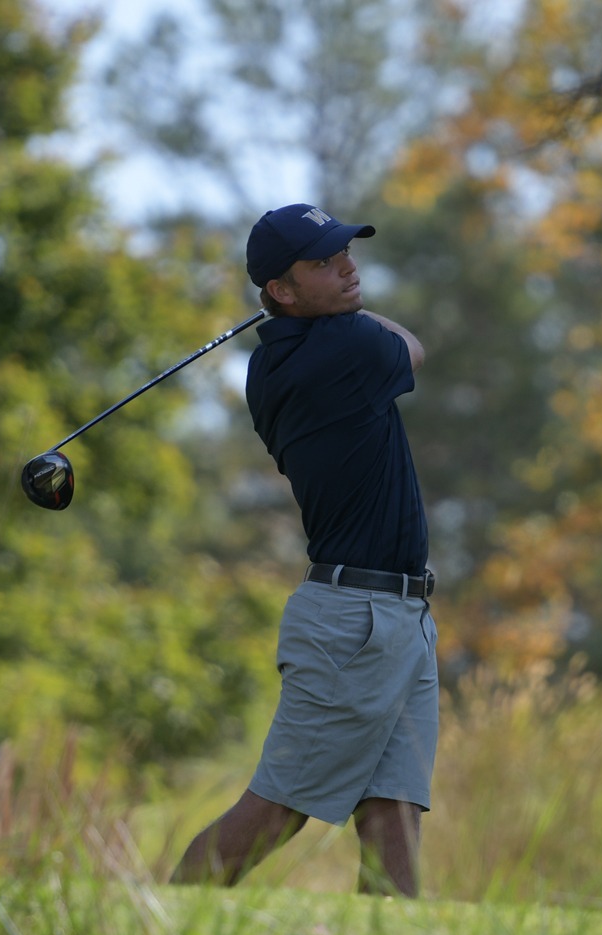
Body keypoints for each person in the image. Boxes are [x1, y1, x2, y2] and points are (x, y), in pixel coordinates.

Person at [169, 203, 438, 897]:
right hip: (358, 620)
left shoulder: (280, 360)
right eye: (323, 263)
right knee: (278, 809)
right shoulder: (342, 349)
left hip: (396, 615)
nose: (348, 268)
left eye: (345, 252)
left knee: (393, 811)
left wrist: (320, 307)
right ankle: (154, 928)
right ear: (280, 292)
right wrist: (347, 313)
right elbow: (412, 347)